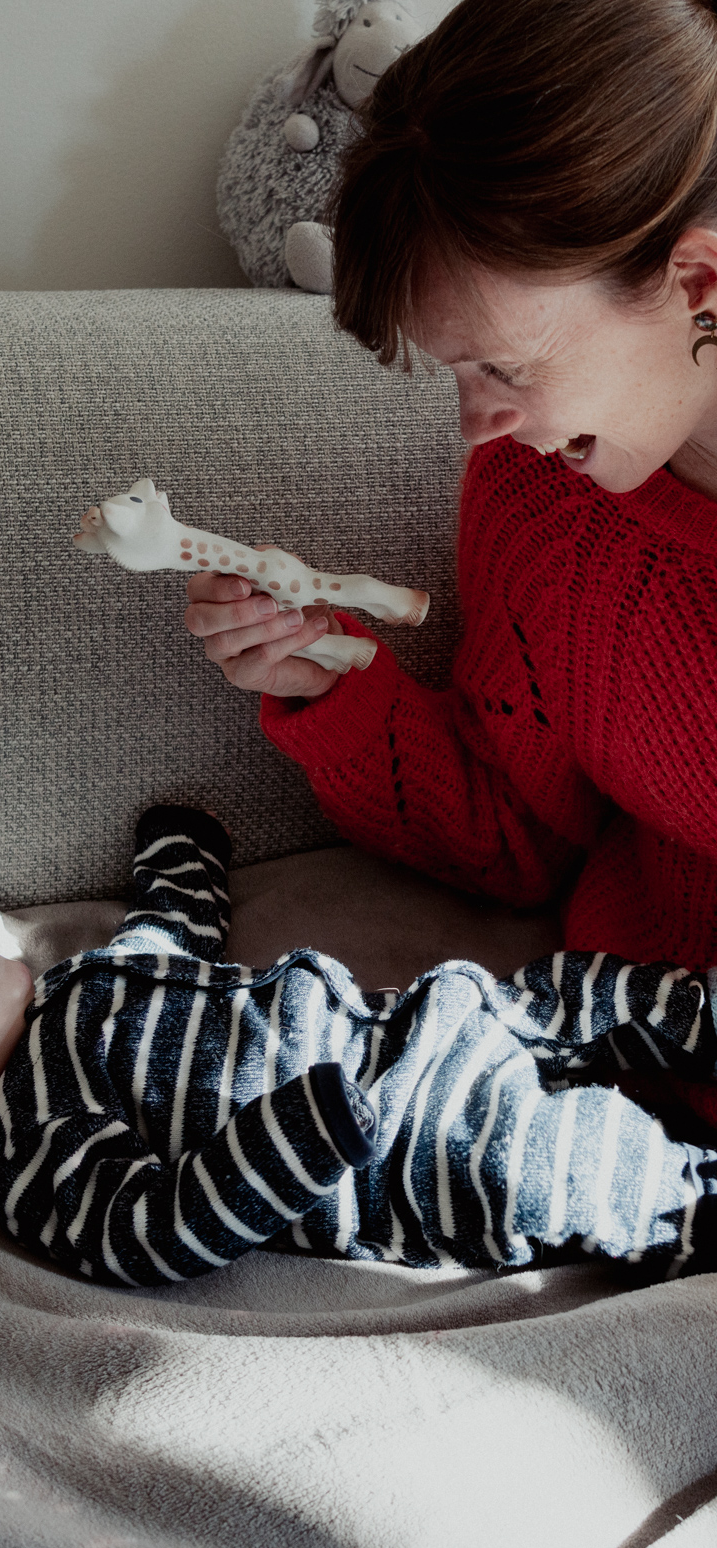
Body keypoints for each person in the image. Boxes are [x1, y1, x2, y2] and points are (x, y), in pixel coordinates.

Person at [185, 0, 717, 1091]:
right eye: (456, 373)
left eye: (504, 369)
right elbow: (520, 838)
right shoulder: (541, 506)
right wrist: (332, 679)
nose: (476, 424)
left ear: (698, 282)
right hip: (643, 1070)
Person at [0, 807, 717, 1289]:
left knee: (578, 990)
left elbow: (173, 930)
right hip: (414, 1148)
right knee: (580, 1169)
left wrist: (179, 853)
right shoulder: (35, 1146)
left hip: (434, 1022)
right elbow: (153, 1228)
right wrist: (295, 1137)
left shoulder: (75, 986)